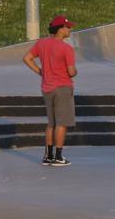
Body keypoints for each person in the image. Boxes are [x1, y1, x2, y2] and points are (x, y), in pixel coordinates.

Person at [22, 15, 78, 166]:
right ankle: (59, 157)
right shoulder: (67, 49)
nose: (70, 29)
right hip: (63, 88)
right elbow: (71, 72)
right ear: (60, 30)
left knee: (51, 123)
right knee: (62, 123)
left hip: (47, 87)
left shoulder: (42, 44)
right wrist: (75, 72)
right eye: (68, 27)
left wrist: (40, 71)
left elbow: (27, 58)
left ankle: (48, 156)